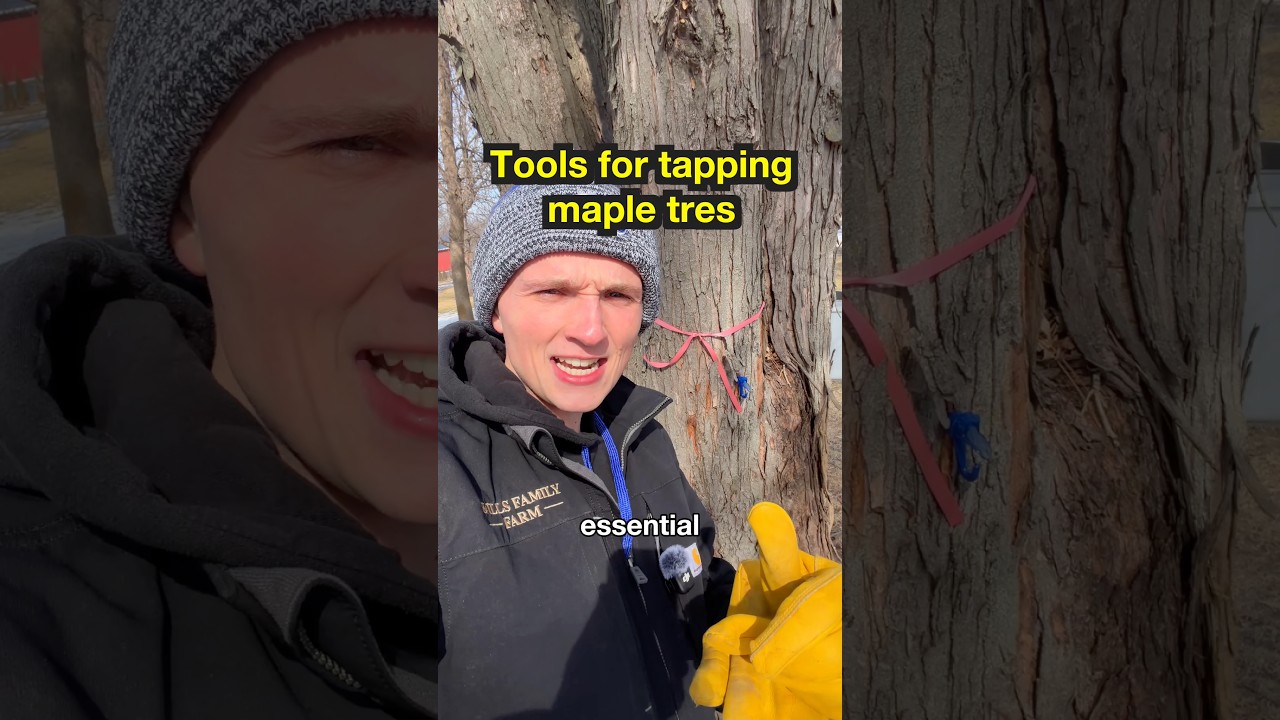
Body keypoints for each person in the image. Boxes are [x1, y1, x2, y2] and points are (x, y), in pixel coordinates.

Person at [0, 2, 439, 718]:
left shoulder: (624, 478)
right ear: (186, 213)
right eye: (361, 147)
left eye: (508, 156)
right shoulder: (42, 646)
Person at [438, 182, 841, 719]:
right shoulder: (429, 471)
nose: (590, 330)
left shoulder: (637, 433)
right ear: (495, 310)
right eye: (552, 291)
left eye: (617, 296)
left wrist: (759, 617)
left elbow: (675, 577)